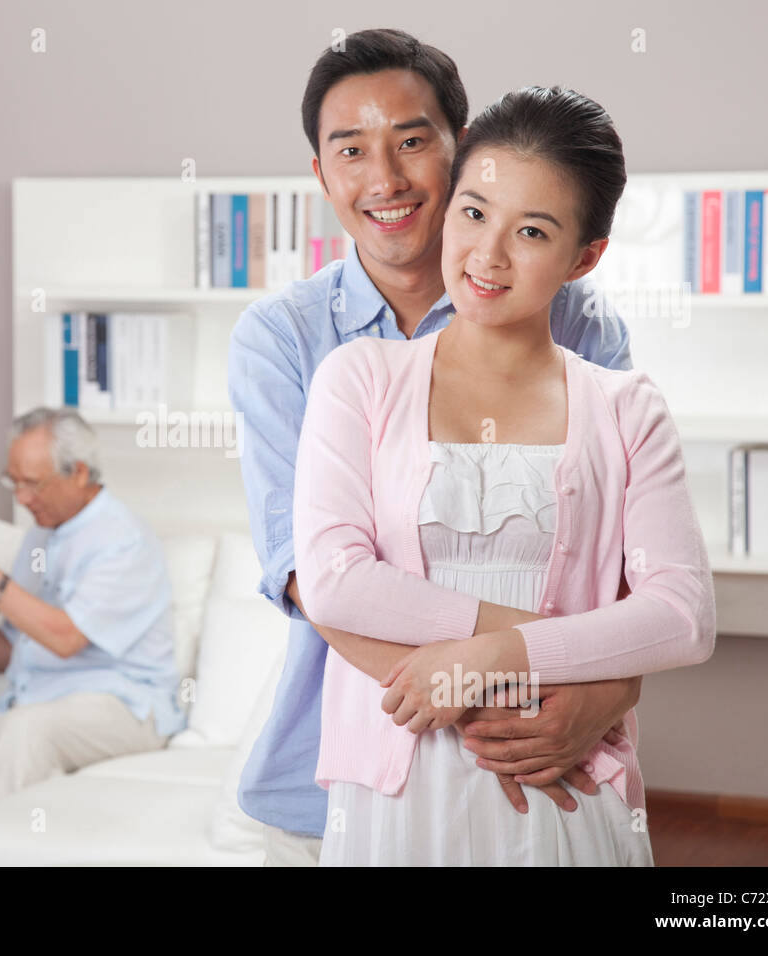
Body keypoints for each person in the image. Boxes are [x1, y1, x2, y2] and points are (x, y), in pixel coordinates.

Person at [229, 28, 643, 866]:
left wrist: (598, 696)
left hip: (549, 759)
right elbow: (314, 578)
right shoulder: (284, 340)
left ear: (463, 154)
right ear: (321, 174)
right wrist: (520, 673)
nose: (383, 179)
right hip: (340, 776)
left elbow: (637, 580)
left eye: (412, 142)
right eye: (351, 150)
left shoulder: (579, 327)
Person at [293, 85, 716, 865]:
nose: (488, 255)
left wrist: (489, 660)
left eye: (531, 231)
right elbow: (334, 581)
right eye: (474, 212)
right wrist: (560, 650)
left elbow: (682, 615)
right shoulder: (359, 378)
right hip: (400, 783)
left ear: (583, 257)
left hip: (564, 774)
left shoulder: (626, 407)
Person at [0, 407, 184, 834]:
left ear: (79, 472)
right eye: (14, 482)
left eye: (32, 484)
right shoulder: (43, 533)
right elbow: (17, 641)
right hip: (33, 708)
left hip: (123, 708)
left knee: (27, 729)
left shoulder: (122, 539)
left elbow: (64, 638)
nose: (21, 498)